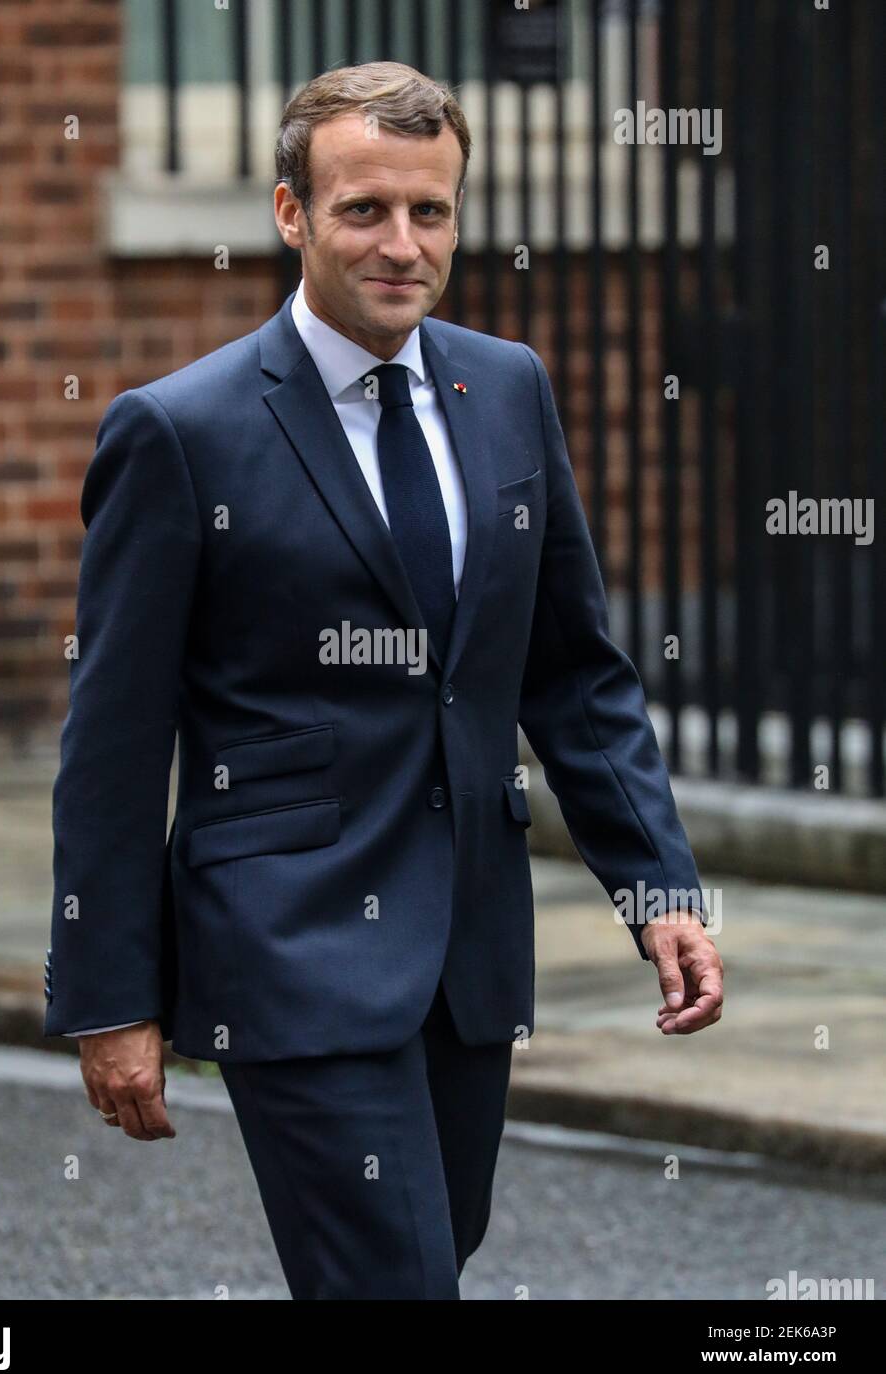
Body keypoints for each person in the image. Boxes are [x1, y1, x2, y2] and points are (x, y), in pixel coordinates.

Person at [44, 62, 723, 1300]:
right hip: (289, 946)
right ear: (291, 212)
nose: (403, 244)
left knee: (425, 1257)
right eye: (365, 210)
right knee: (396, 1278)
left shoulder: (506, 387)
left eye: (432, 212)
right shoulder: (180, 431)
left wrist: (658, 885)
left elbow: (571, 673)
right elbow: (115, 739)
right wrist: (108, 994)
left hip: (468, 946)